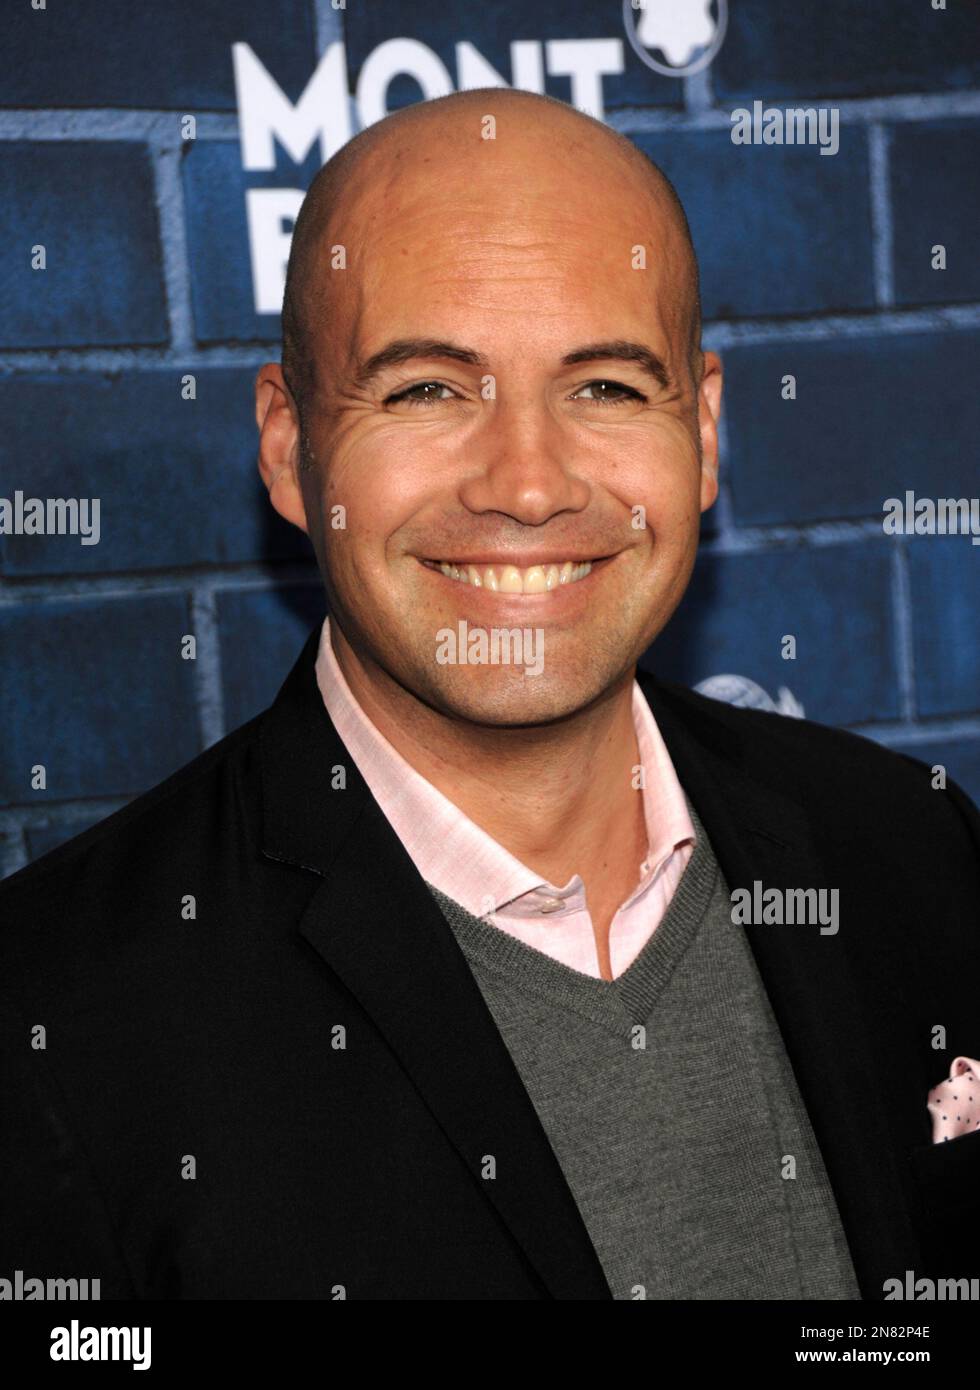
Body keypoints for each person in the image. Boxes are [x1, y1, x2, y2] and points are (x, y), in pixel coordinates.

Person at [2, 88, 978, 1301]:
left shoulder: (908, 845)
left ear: (706, 431)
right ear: (285, 445)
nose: (526, 484)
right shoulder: (58, 1016)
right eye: (425, 389)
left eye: (607, 387)